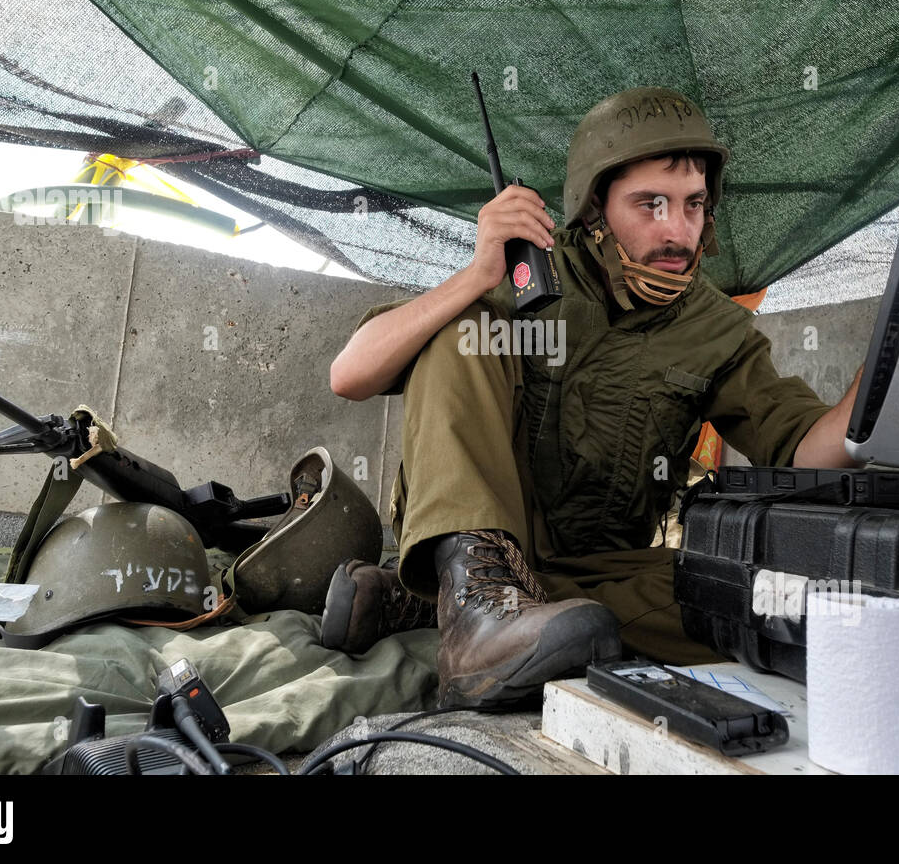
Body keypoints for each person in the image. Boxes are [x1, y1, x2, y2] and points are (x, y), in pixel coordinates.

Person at [324, 87, 862, 708]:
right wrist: (477, 276)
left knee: (755, 600)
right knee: (461, 331)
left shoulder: (717, 331)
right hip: (491, 551)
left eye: (693, 205)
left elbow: (807, 454)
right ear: (595, 209)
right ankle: (474, 611)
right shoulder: (529, 282)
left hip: (602, 575)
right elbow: (351, 374)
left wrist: (874, 393)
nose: (677, 231)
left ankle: (424, 604)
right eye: (649, 204)